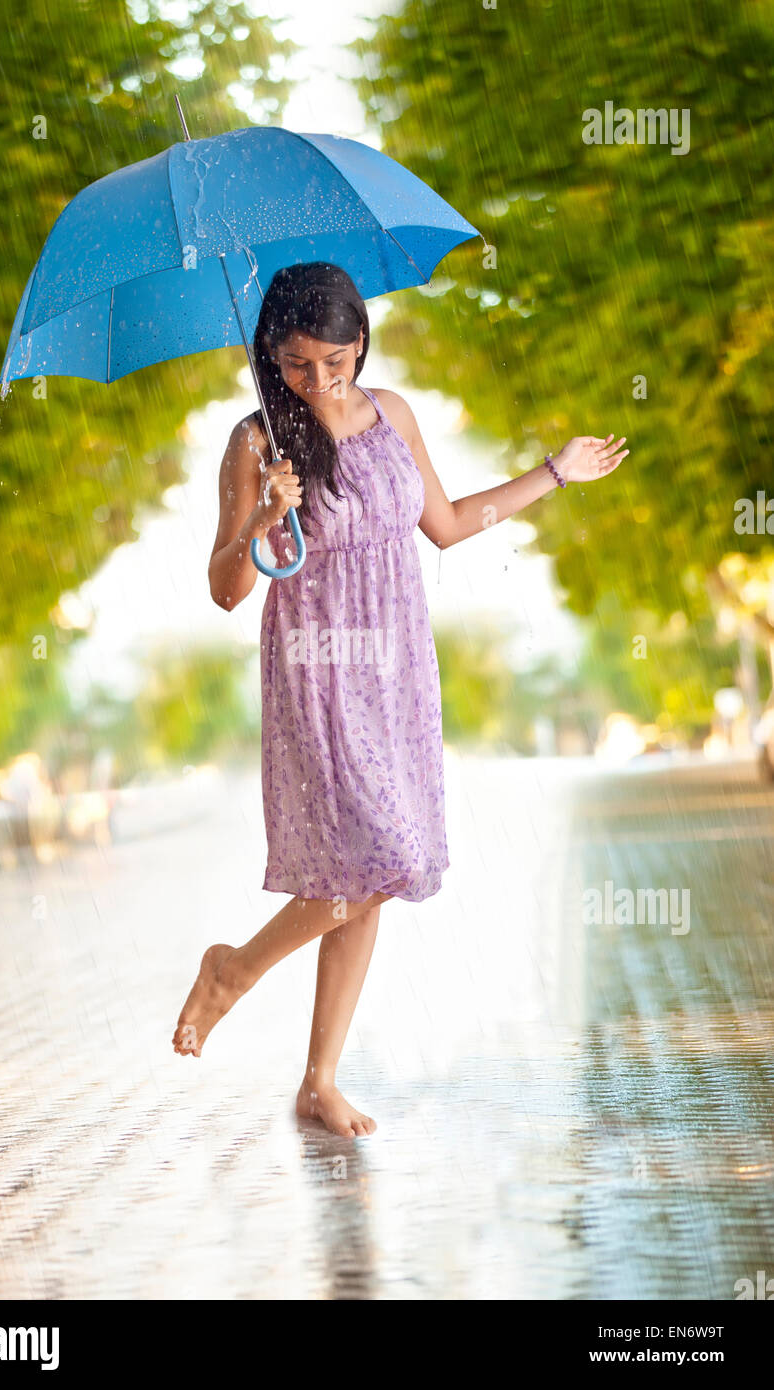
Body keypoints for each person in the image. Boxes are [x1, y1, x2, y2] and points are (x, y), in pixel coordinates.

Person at [172, 261, 628, 1136]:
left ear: (359, 346)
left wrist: (554, 474)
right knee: (380, 854)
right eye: (300, 365)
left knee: (370, 870)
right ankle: (233, 971)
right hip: (320, 667)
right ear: (272, 353)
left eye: (336, 362)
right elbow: (227, 588)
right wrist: (266, 519)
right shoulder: (255, 441)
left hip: (398, 670)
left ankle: (319, 1079)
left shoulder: (393, 415)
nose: (319, 381)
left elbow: (450, 525)